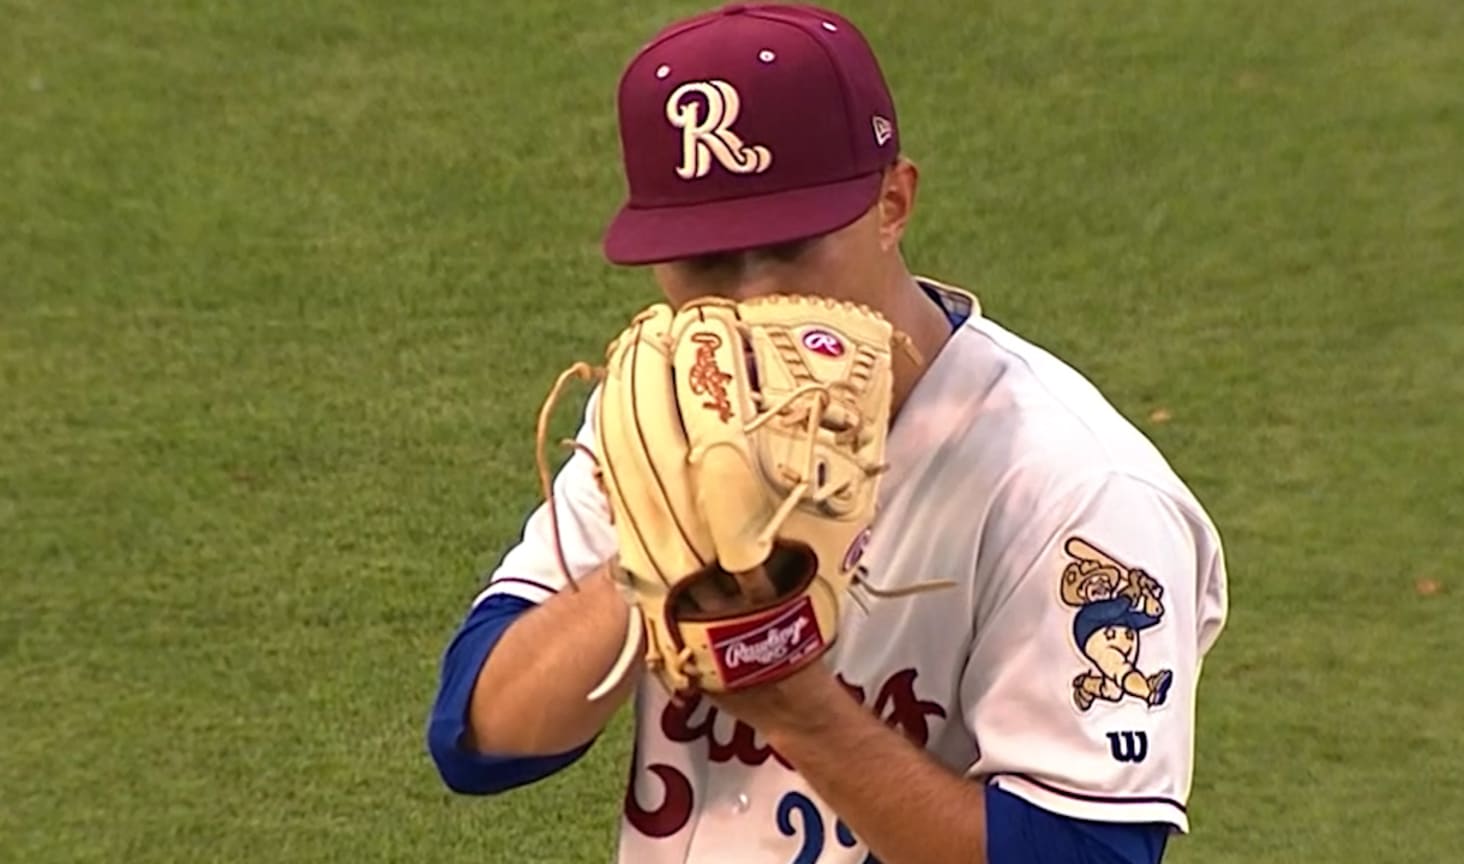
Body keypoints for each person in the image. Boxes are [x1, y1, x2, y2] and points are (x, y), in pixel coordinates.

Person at [426, 4, 1230, 863]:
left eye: (789, 250)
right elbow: (480, 738)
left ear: (893, 203)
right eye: (704, 262)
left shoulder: (1078, 489)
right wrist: (648, 566)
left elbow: (1089, 853)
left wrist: (793, 705)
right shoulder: (660, 416)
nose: (749, 304)